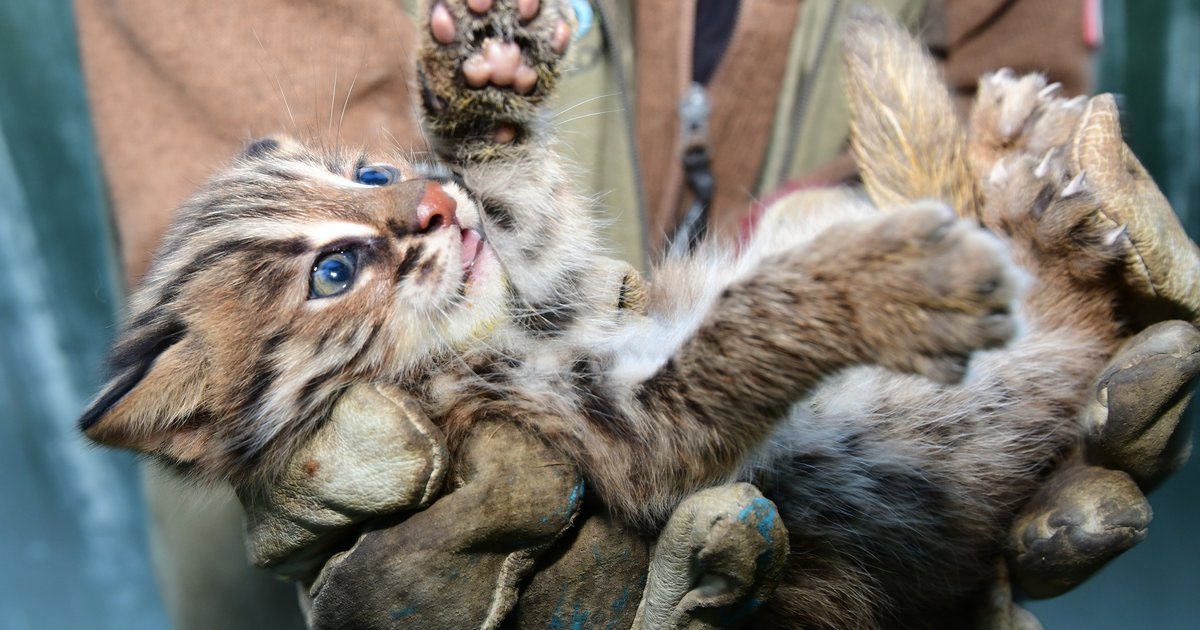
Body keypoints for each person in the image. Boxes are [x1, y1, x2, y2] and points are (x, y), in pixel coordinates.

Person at [74, 0, 1197, 628]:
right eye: (334, 269)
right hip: (846, 392)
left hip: (877, 366)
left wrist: (475, 125)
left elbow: (571, 313)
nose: (417, 205)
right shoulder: (415, 429)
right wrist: (834, 296)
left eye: (369, 179)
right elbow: (659, 409)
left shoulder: (450, 352)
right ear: (202, 417)